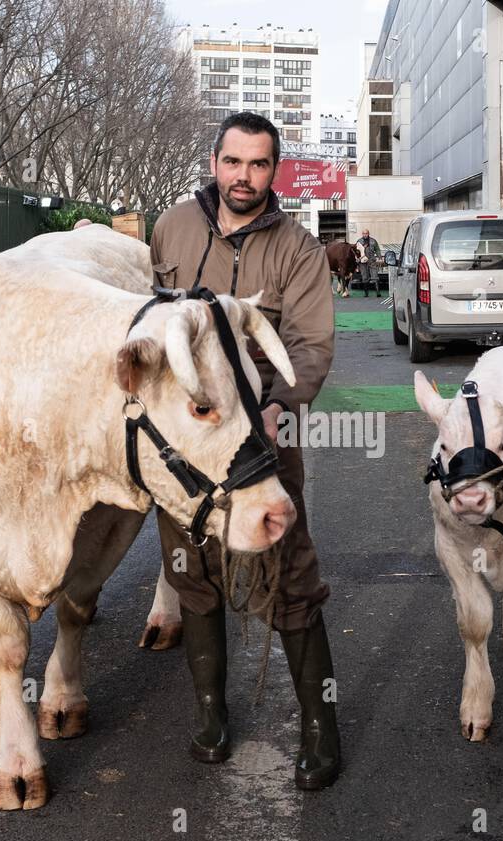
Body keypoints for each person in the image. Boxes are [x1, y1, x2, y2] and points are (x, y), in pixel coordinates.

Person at [148, 111, 340, 790]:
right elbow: (146, 323)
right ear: (214, 161)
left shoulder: (298, 248)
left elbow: (313, 343)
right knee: (188, 566)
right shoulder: (171, 226)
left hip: (259, 434)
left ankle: (321, 732)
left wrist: (282, 404)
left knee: (289, 571)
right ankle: (209, 717)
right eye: (234, 162)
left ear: (274, 171)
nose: (244, 177)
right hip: (184, 441)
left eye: (259, 165)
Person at [354, 229, 381, 297]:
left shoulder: (373, 241)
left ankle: (378, 292)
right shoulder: (359, 241)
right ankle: (366, 293)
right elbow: (356, 251)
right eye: (363, 233)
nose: (365, 235)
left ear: (368, 233)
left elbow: (377, 249)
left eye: (366, 233)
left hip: (371, 260)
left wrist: (379, 256)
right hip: (362, 262)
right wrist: (357, 259)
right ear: (362, 234)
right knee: (364, 276)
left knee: (375, 276)